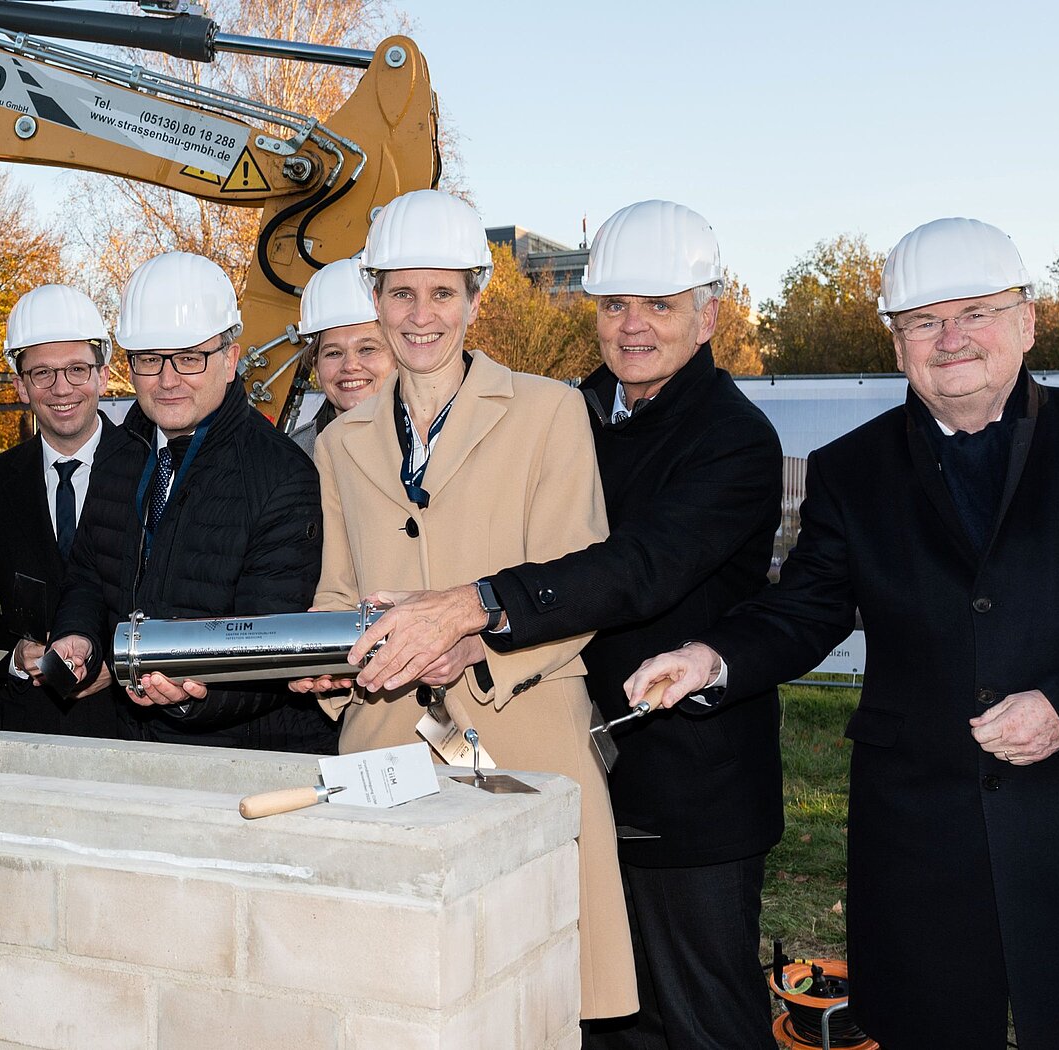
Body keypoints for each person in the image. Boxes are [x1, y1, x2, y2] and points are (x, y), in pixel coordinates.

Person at [625, 217, 1059, 1050]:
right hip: (923, 832)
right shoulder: (851, 469)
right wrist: (710, 656)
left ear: (1026, 322)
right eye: (923, 321)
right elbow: (804, 609)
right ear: (897, 344)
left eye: (976, 313)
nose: (951, 338)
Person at [333, 201, 783, 1047]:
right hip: (568, 755)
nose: (633, 326)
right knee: (590, 1018)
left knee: (702, 1018)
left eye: (660, 305)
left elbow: (635, 568)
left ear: (709, 316)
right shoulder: (580, 407)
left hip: (685, 782)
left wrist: (472, 607)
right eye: (615, 305)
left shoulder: (734, 440)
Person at [299, 188, 639, 1021]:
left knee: (528, 998)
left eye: (442, 293)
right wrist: (324, 663)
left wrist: (476, 648)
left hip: (522, 737)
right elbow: (336, 594)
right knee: (389, 997)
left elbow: (578, 584)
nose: (421, 316)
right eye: (401, 294)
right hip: (386, 742)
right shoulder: (339, 443)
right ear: (375, 297)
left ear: (475, 300)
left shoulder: (550, 412)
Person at [46, 251, 334, 753]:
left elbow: (270, 643)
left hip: (238, 755)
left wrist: (191, 698)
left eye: (189, 358)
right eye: (149, 359)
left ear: (230, 358)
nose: (167, 379)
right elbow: (88, 574)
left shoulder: (280, 475)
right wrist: (80, 636)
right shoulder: (120, 454)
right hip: (132, 743)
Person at [0, 284, 127, 737]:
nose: (61, 388)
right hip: (29, 723)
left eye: (77, 369)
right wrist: (13, 656)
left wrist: (121, 664)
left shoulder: (150, 470)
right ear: (20, 386)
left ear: (103, 376)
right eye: (42, 373)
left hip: (133, 723)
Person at [288, 256, 394, 453]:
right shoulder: (295, 454)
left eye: (367, 349)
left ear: (397, 359)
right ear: (317, 368)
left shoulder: (431, 447)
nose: (350, 365)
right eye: (334, 353)